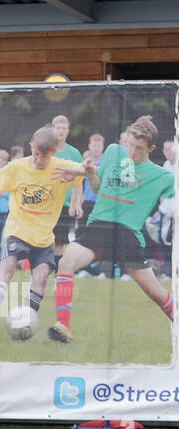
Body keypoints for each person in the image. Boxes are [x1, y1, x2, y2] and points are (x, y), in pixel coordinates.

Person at [50, 115, 175, 342]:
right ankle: (63, 326)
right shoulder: (113, 152)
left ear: (151, 148)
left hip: (127, 235)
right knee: (66, 263)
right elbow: (98, 188)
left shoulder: (162, 176)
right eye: (130, 144)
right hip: (98, 226)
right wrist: (89, 173)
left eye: (138, 148)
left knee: (156, 293)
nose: (131, 151)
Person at [0, 126, 89, 320]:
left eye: (44, 156)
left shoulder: (61, 167)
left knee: (41, 277)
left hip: (43, 237)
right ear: (31, 147)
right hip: (17, 230)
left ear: (54, 153)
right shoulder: (17, 168)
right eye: (35, 153)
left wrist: (77, 200)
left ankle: (26, 321)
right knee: (8, 268)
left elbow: (82, 174)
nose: (38, 159)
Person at [50, 114, 84, 255]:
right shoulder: (46, 150)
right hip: (46, 202)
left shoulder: (74, 153)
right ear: (52, 129)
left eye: (64, 128)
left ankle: (58, 273)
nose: (61, 131)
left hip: (64, 205)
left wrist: (75, 203)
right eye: (58, 128)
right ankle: (44, 269)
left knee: (59, 242)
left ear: (68, 131)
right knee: (45, 240)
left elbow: (79, 181)